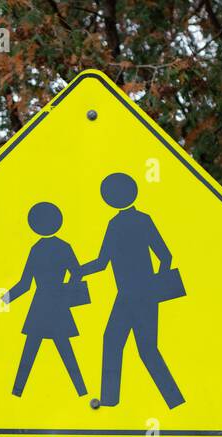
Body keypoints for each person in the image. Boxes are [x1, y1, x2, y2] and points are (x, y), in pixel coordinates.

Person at [79, 172, 186, 409]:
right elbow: (164, 257)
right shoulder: (131, 221)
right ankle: (113, 400)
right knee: (130, 345)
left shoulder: (124, 223)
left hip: (135, 295)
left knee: (133, 346)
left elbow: (102, 262)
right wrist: (78, 271)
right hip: (134, 295)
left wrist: (78, 271)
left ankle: (171, 400)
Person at [1, 201, 89, 398]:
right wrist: (66, 291)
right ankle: (81, 391)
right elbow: (77, 272)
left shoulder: (36, 249)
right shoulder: (64, 247)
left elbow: (25, 283)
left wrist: (6, 298)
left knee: (31, 349)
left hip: (41, 304)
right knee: (64, 349)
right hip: (58, 303)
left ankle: (17, 392)